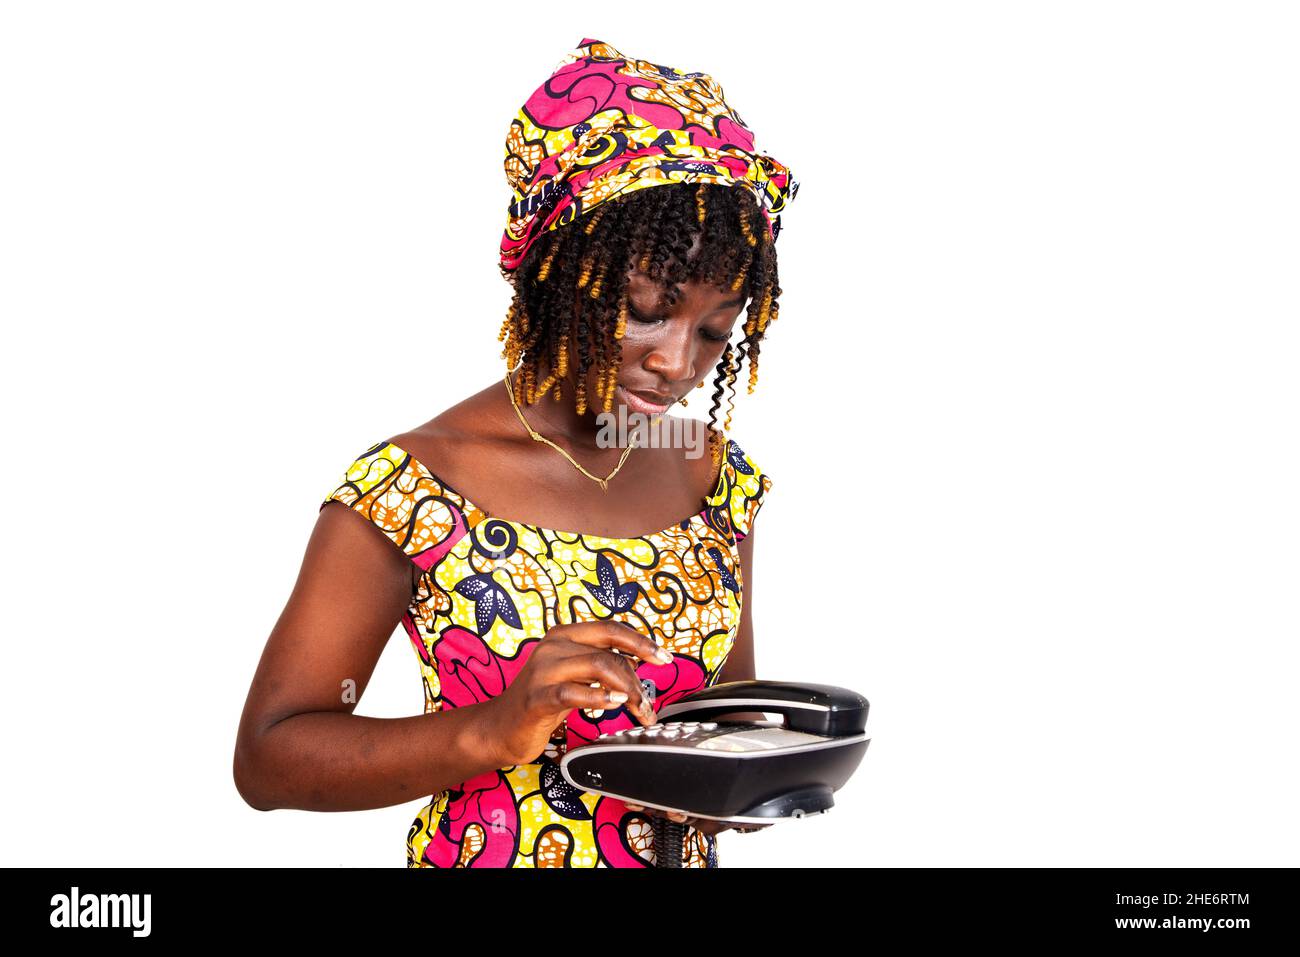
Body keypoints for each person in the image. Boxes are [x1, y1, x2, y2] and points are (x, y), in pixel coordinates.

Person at [233, 37, 799, 867]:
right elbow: (270, 757)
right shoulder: (418, 482)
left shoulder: (711, 472)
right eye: (646, 310)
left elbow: (720, 716)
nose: (676, 362)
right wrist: (490, 730)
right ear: (557, 270)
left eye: (715, 330)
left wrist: (754, 765)